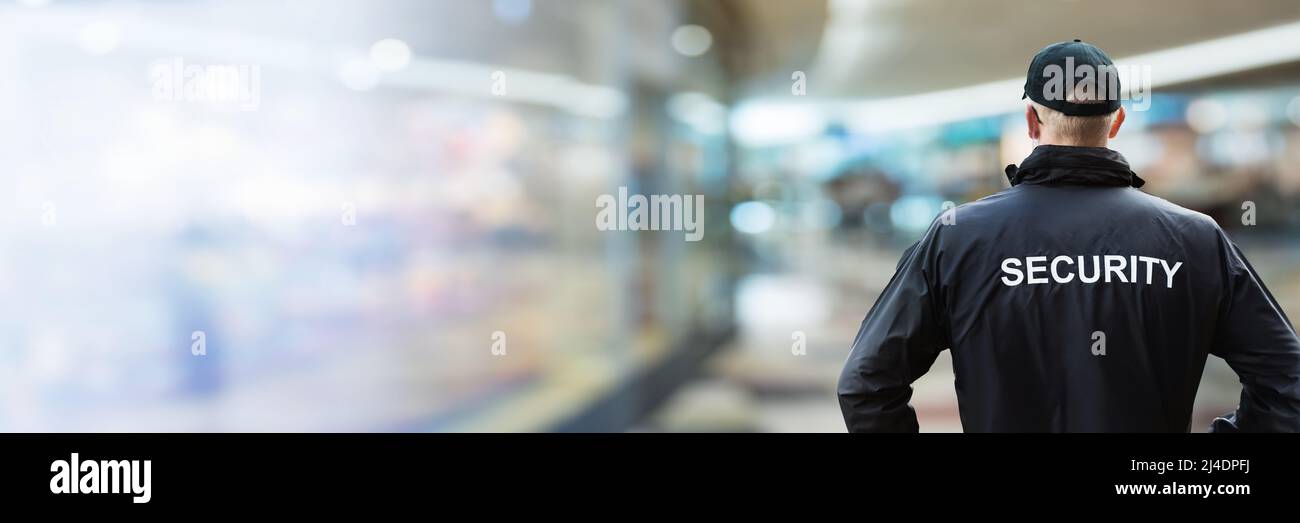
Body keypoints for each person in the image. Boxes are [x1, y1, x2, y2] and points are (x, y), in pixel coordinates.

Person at [837, 39, 1300, 432]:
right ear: (1117, 122)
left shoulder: (958, 237)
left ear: (1031, 121)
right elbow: (1288, 382)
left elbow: (866, 383)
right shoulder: (1195, 238)